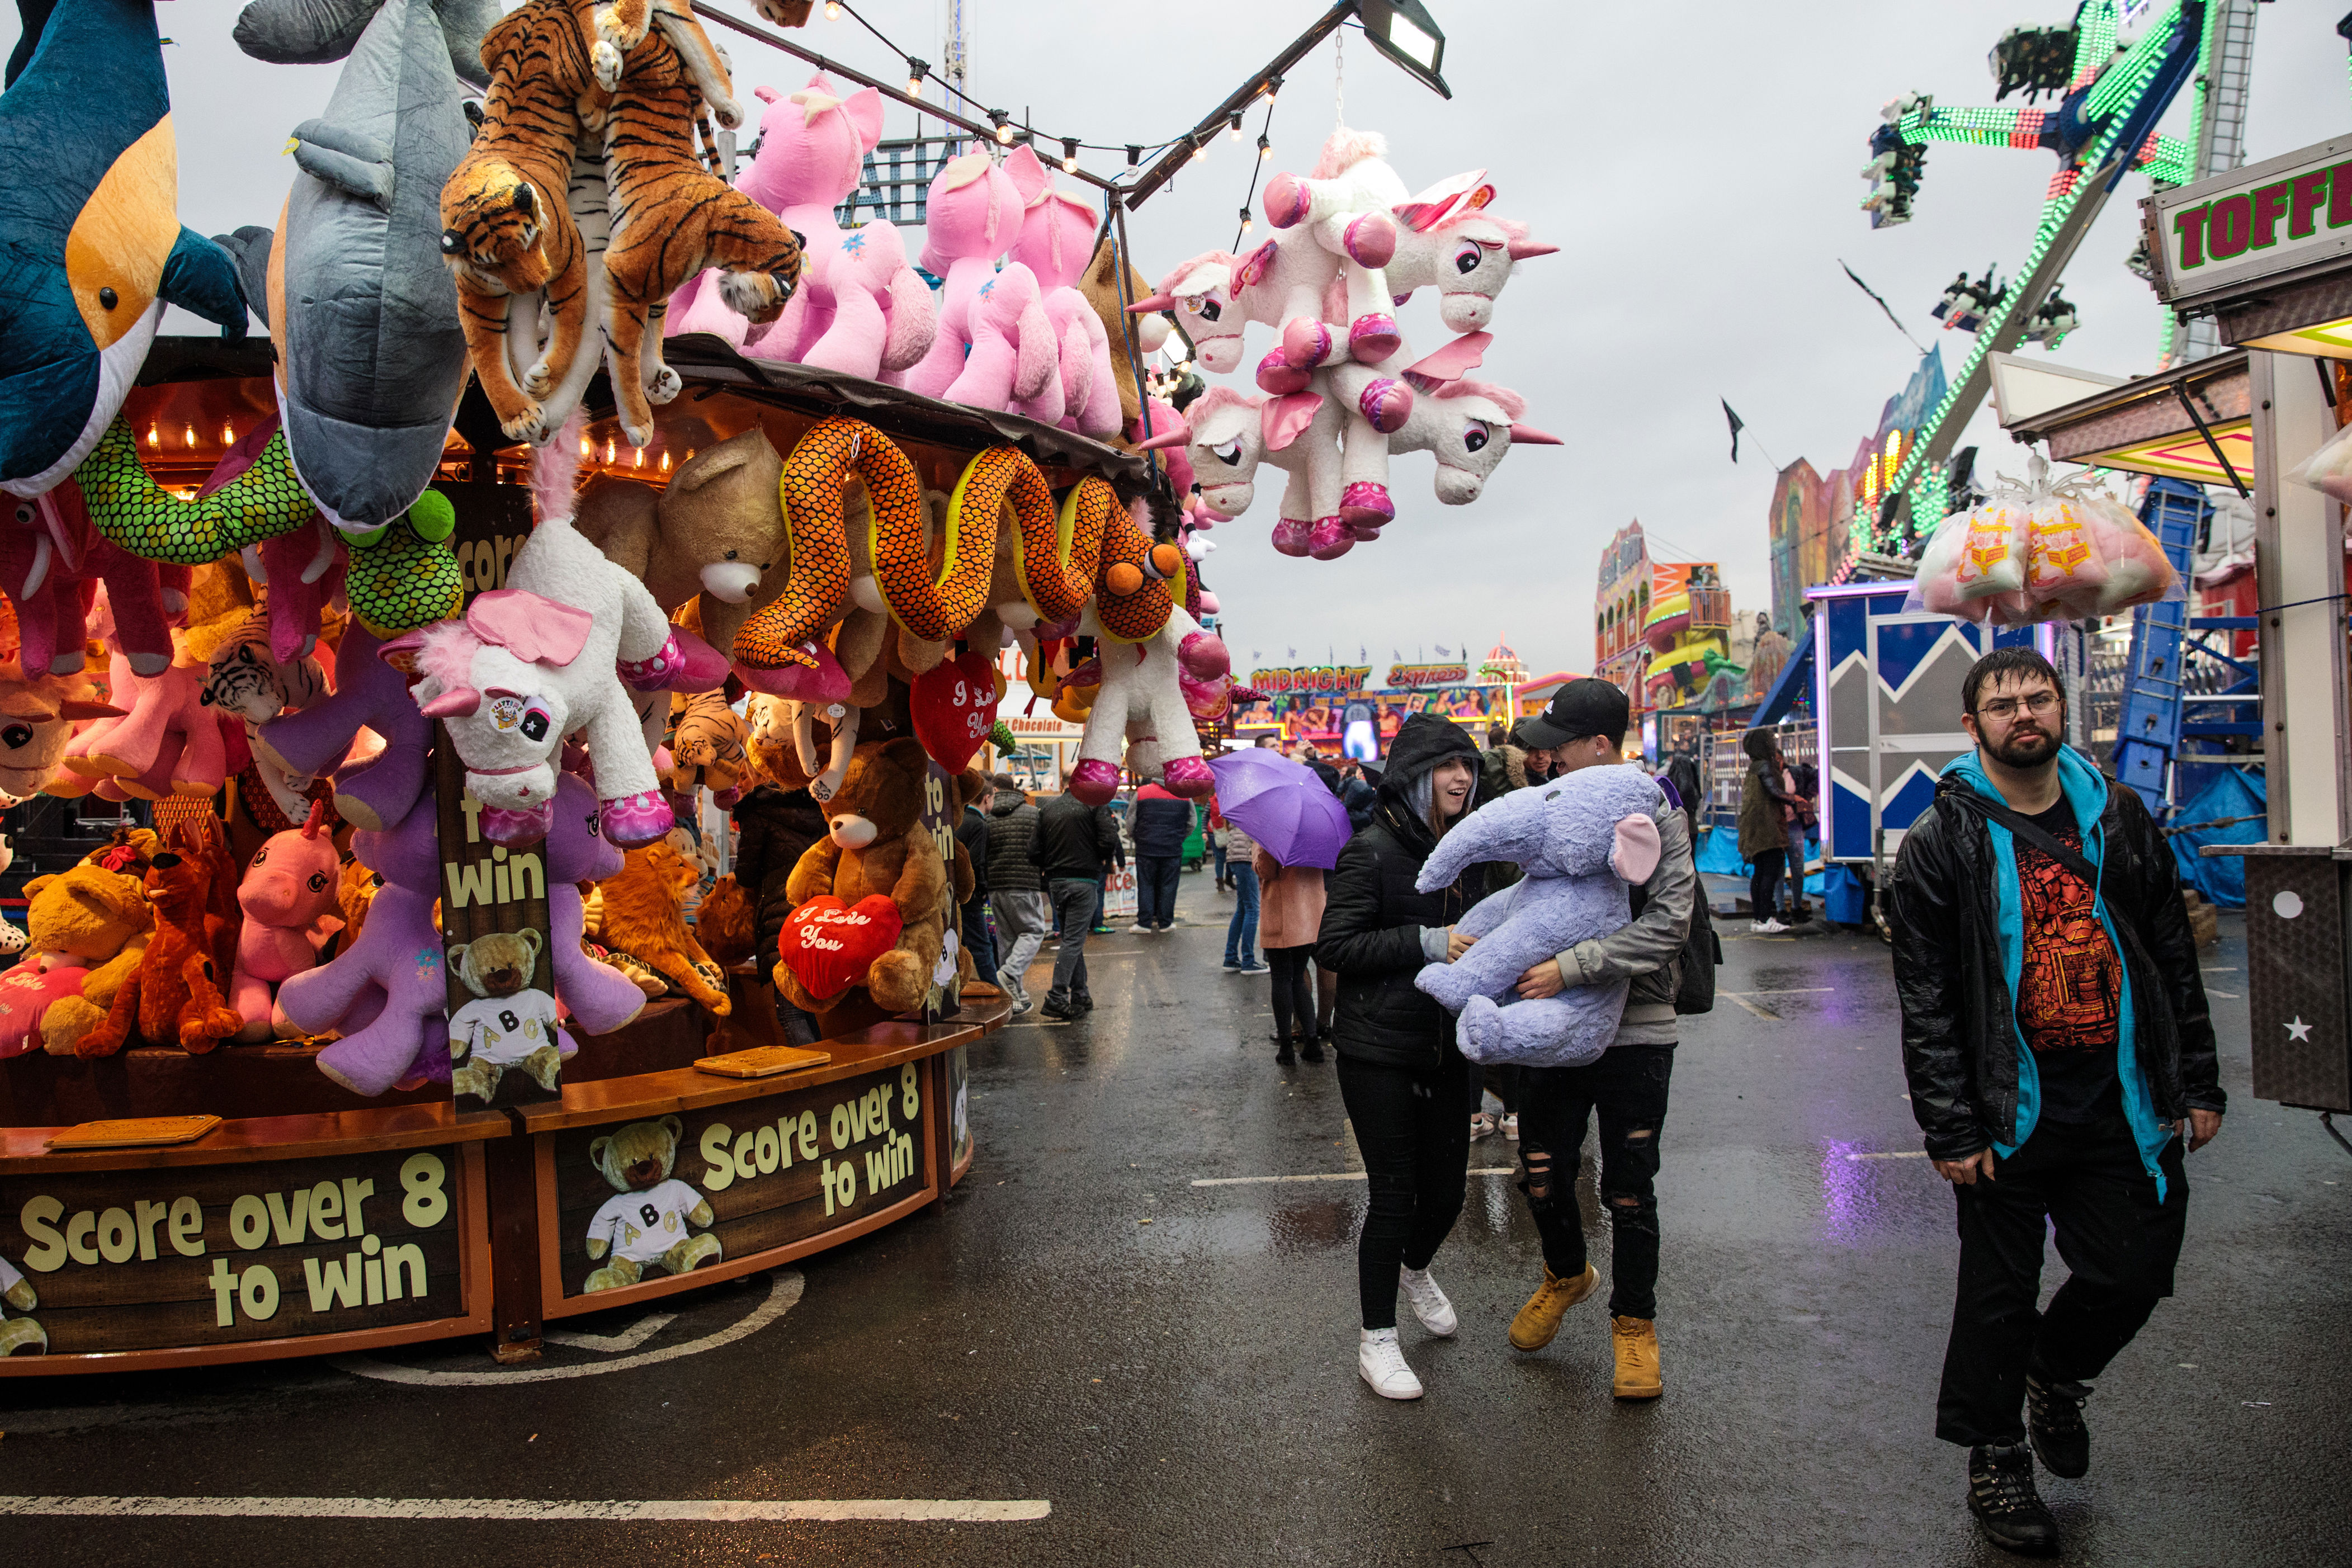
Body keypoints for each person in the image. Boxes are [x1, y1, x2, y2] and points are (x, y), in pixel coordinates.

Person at [1888, 648, 2222, 1557]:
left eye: (2039, 696)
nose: (2024, 713)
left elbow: (2167, 949)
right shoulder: (1939, 841)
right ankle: (1995, 1455)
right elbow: (1925, 995)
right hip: (2009, 1100)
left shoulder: (2118, 816)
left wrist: (2195, 1077)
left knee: (2134, 1265)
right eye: (2003, 703)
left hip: (2117, 1088)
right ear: (1974, 727)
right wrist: (1950, 1122)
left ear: (2063, 709)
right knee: (1997, 1290)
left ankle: (2058, 1371)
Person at [1501, 678, 1695, 1401]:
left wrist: (1570, 966)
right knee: (1543, 1171)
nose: (1548, 759)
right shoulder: (1545, 812)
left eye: (1560, 747)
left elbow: (1668, 928)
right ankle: (1564, 1273)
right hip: (1552, 1027)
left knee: (1628, 1188)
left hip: (1637, 1030)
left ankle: (1633, 1327)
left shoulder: (1658, 812)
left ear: (1601, 747)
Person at [1315, 713, 1488, 1400]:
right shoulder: (1374, 850)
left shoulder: (1468, 850)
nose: (1461, 777)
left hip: (1450, 1046)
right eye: (1448, 766)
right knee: (1394, 1193)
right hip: (1378, 1049)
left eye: (1468, 766)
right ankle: (1377, 1339)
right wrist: (1425, 941)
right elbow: (1337, 947)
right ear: (1415, 776)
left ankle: (1417, 1267)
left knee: (1447, 1193)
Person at [1029, 787, 1123, 1020]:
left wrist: (1049, 865)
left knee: (1073, 936)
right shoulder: (1095, 804)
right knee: (1072, 940)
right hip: (1084, 879)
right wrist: (1101, 858)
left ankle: (1080, 993)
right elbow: (1109, 838)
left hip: (1056, 882)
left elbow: (1033, 850)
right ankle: (1057, 996)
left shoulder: (1048, 808)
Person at [1253, 837, 1327, 1064]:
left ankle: (1286, 1047)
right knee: (1297, 977)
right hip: (1310, 917)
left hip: (1283, 914)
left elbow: (1266, 870)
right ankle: (1312, 1043)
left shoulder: (1275, 833)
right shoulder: (1315, 832)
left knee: (1282, 979)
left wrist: (1258, 853)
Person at [984, 774, 1046, 1016]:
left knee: (1007, 940)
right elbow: (1041, 849)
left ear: (996, 791)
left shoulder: (988, 818)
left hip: (996, 886)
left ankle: (1017, 997)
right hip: (1024, 883)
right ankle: (1010, 974)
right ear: (1016, 790)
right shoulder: (1033, 814)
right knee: (1033, 930)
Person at [1737, 728, 1797, 934]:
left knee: (1760, 873)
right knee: (1769, 874)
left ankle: (1759, 918)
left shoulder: (1754, 766)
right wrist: (1795, 799)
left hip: (1754, 828)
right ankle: (1765, 918)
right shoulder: (1765, 766)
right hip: (1768, 828)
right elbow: (1774, 792)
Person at [1128, 778, 1192, 933]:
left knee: (1146, 884)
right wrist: (1179, 838)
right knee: (1168, 886)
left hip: (1146, 849)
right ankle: (1166, 923)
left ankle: (1144, 923)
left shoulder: (1142, 793)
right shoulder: (1185, 796)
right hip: (1172, 849)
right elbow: (1192, 823)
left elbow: (1130, 821)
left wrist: (1136, 838)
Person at [955, 783, 995, 984]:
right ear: (987, 798)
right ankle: (995, 988)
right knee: (982, 945)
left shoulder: (956, 821)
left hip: (951, 893)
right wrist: (982, 891)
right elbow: (977, 861)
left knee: (956, 944)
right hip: (970, 896)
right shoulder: (979, 825)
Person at [1222, 809, 1265, 974]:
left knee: (1242, 909)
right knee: (1253, 909)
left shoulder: (1238, 807)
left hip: (1236, 857)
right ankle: (1248, 960)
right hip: (1246, 858)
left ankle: (1231, 958)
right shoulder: (1251, 809)